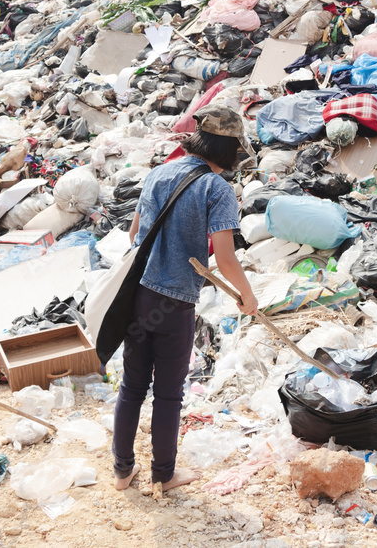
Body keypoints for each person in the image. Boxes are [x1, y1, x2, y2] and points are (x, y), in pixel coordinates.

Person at [113, 104, 258, 495]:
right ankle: (164, 474)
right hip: (174, 302)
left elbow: (133, 236)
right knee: (168, 393)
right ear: (229, 150)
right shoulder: (217, 188)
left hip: (138, 292)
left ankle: (122, 471)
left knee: (132, 386)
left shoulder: (159, 172)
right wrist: (247, 296)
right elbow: (225, 258)